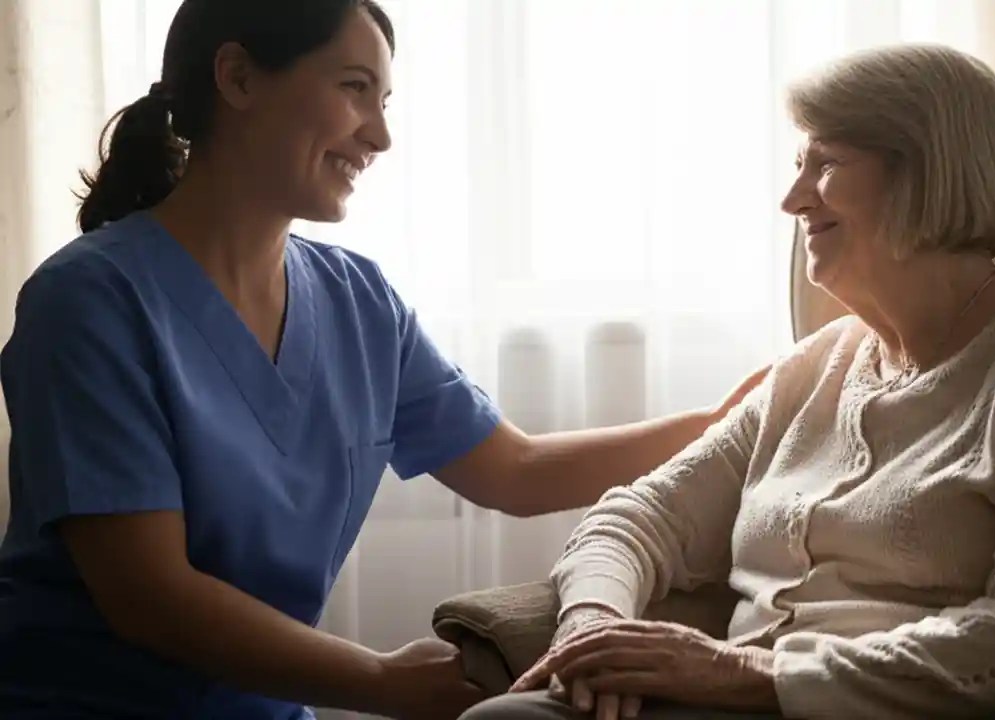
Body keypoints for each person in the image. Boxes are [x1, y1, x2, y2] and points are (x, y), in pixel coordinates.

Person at [0, 1, 767, 718]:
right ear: (237, 77)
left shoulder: (357, 302)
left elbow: (516, 469)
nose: (379, 136)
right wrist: (379, 680)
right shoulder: (89, 303)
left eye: (384, 102)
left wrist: (729, 424)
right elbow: (149, 596)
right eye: (353, 89)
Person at [463, 44, 995, 720]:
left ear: (927, 175)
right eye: (799, 164)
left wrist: (748, 674)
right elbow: (632, 520)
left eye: (825, 164)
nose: (793, 200)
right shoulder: (814, 368)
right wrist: (593, 628)